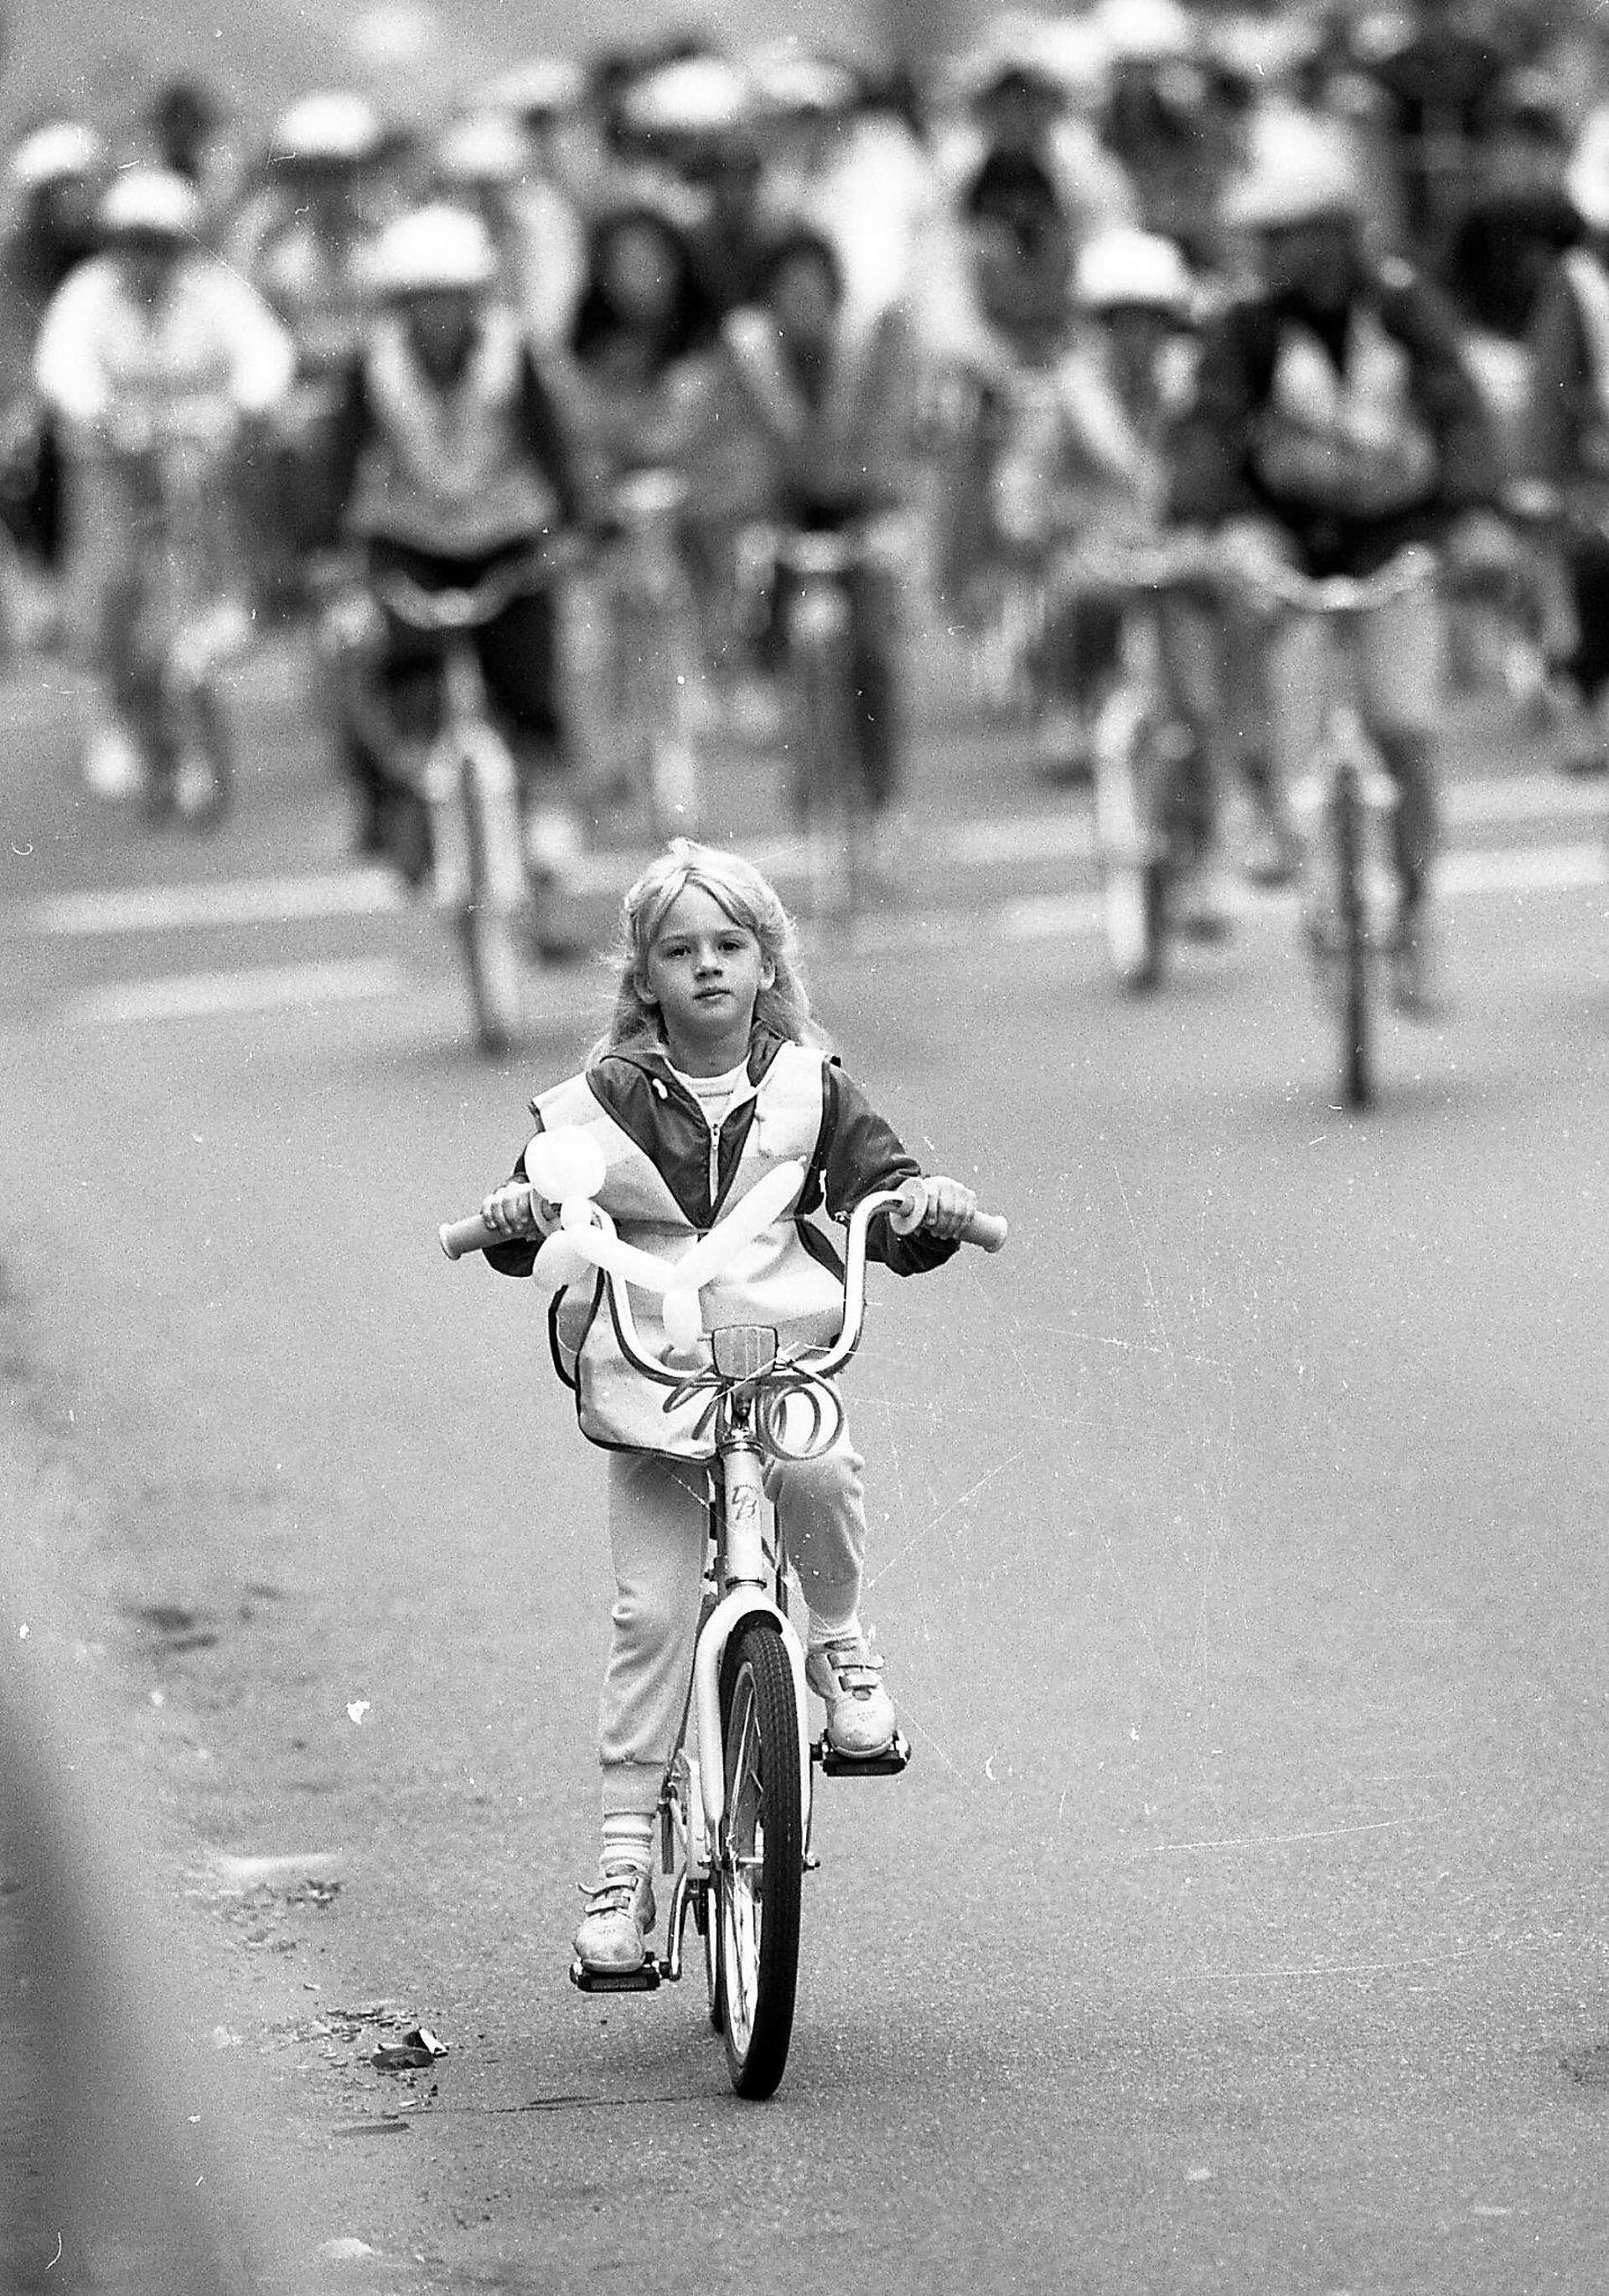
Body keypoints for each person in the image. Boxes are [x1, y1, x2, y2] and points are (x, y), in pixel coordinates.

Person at [474, 838, 980, 1975]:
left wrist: (921, 1212)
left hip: (777, 1377)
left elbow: (881, 1201)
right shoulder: (596, 1104)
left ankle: (839, 1645)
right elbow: (538, 1208)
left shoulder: (811, 1086)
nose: (707, 967)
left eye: (730, 946)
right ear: (644, 978)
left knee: (819, 1470)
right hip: (657, 1394)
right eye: (679, 950)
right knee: (651, 1617)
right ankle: (619, 1866)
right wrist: (520, 1217)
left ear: (766, 966)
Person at [1171, 108, 1505, 1007]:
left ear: (1336, 235)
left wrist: (1474, 512)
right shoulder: (1243, 325)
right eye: (1269, 238)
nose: (1277, 254)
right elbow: (1209, 423)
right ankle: (1267, 812)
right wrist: (1211, 523)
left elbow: (1458, 407)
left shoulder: (1404, 306)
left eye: (1292, 236)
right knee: (1272, 665)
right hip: (1283, 527)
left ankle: (1419, 901)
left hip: (1397, 529)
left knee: (1407, 725)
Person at [323, 202, 590, 880]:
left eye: (453, 301)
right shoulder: (373, 364)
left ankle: (547, 814)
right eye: (422, 303)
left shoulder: (511, 349)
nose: (439, 319)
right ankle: (400, 804)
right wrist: (321, 543)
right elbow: (340, 457)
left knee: (528, 678)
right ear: (399, 308)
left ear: (476, 300)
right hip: (409, 537)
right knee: (397, 672)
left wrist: (576, 523)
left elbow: (550, 443)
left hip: (505, 534)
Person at [33, 168, 294, 800]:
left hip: (198, 457)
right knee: (114, 582)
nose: (145, 258)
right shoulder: (89, 293)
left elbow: (265, 350)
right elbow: (60, 365)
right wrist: (99, 413)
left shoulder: (212, 290)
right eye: (132, 242)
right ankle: (112, 721)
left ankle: (231, 615)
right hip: (111, 465)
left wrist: (249, 402)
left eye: (160, 242)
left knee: (228, 548)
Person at [709, 224, 920, 835]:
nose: (803, 302)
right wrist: (747, 505)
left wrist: (885, 502)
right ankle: (781, 723)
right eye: (788, 289)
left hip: (861, 507)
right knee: (754, 595)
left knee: (873, 647)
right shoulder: (746, 355)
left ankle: (883, 800)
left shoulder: (870, 344)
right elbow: (729, 441)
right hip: (780, 511)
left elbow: (890, 428)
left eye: (814, 288)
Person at [1517, 102, 1609, 775]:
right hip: (1594, 476)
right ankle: (1582, 708)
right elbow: (1549, 388)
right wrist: (1541, 482)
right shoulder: (1576, 284)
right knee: (1589, 585)